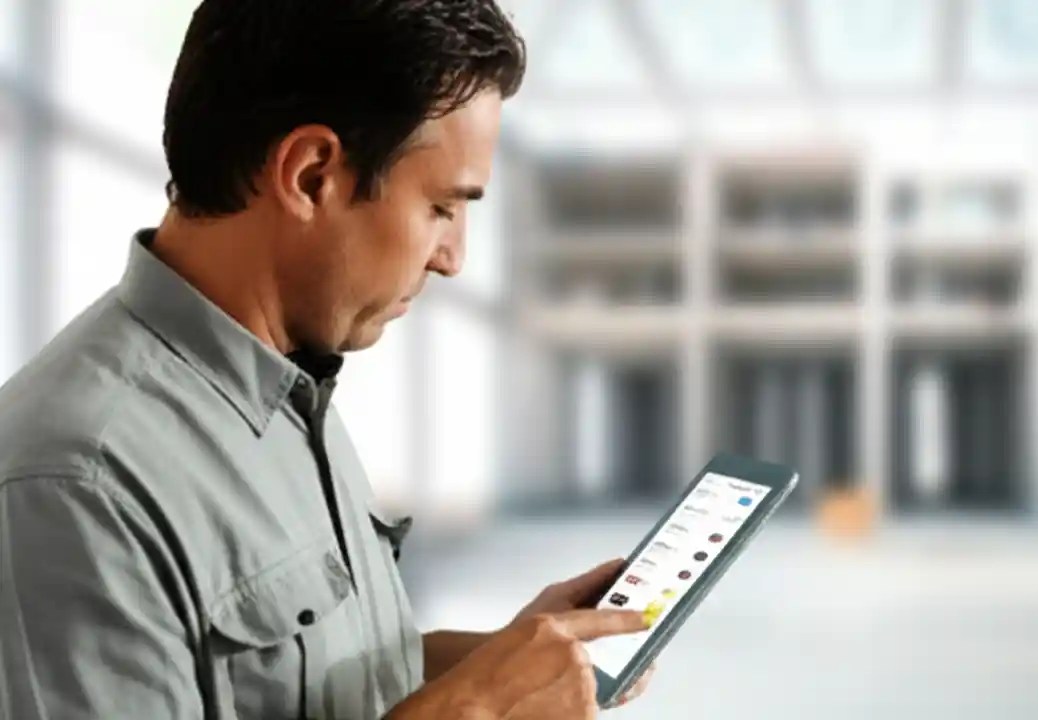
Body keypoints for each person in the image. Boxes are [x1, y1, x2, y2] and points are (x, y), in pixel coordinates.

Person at [0, 1, 654, 717]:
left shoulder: (288, 389)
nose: (454, 258)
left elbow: (293, 683)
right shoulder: (75, 485)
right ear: (311, 175)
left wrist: (508, 658)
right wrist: (474, 713)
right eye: (442, 207)